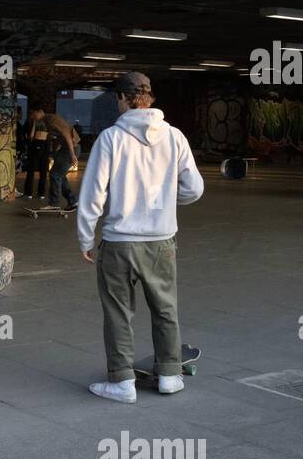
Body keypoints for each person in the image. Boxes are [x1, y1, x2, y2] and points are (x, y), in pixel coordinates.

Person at [77, 71, 204, 404]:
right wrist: (162, 202)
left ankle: (122, 382)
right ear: (151, 98)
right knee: (165, 309)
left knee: (119, 312)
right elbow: (194, 188)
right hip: (162, 242)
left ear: (121, 98)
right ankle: (170, 375)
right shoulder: (175, 136)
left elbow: (93, 195)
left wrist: (85, 238)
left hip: (119, 243)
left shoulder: (110, 139)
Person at [44, 108, 80, 210]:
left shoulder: (51, 120)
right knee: (60, 175)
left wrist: (72, 155)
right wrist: (55, 153)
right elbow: (60, 138)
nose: (31, 117)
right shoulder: (48, 121)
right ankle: (72, 200)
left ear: (39, 111)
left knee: (54, 174)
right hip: (66, 149)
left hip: (71, 149)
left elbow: (67, 136)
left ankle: (54, 203)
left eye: (32, 114)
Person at [23, 106, 50, 199]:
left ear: (39, 111)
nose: (33, 115)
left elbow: (29, 135)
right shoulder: (47, 121)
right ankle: (40, 193)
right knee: (42, 171)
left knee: (32, 169)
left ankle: (29, 193)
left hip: (35, 145)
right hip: (44, 145)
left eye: (34, 113)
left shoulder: (32, 121)